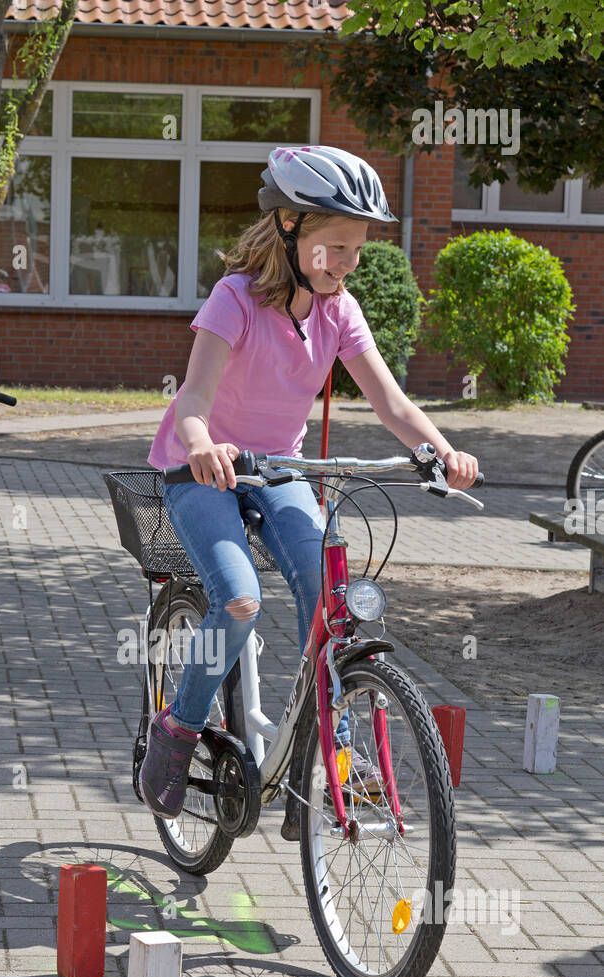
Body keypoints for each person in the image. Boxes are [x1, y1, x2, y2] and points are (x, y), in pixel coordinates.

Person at [140, 145, 479, 826]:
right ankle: (176, 731)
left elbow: (390, 403)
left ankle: (333, 761)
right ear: (289, 227)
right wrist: (202, 443)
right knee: (238, 600)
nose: (351, 263)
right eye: (339, 248)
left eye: (358, 249)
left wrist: (441, 451)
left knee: (334, 600)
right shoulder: (235, 298)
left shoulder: (339, 311)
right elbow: (194, 400)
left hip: (281, 471)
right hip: (201, 469)